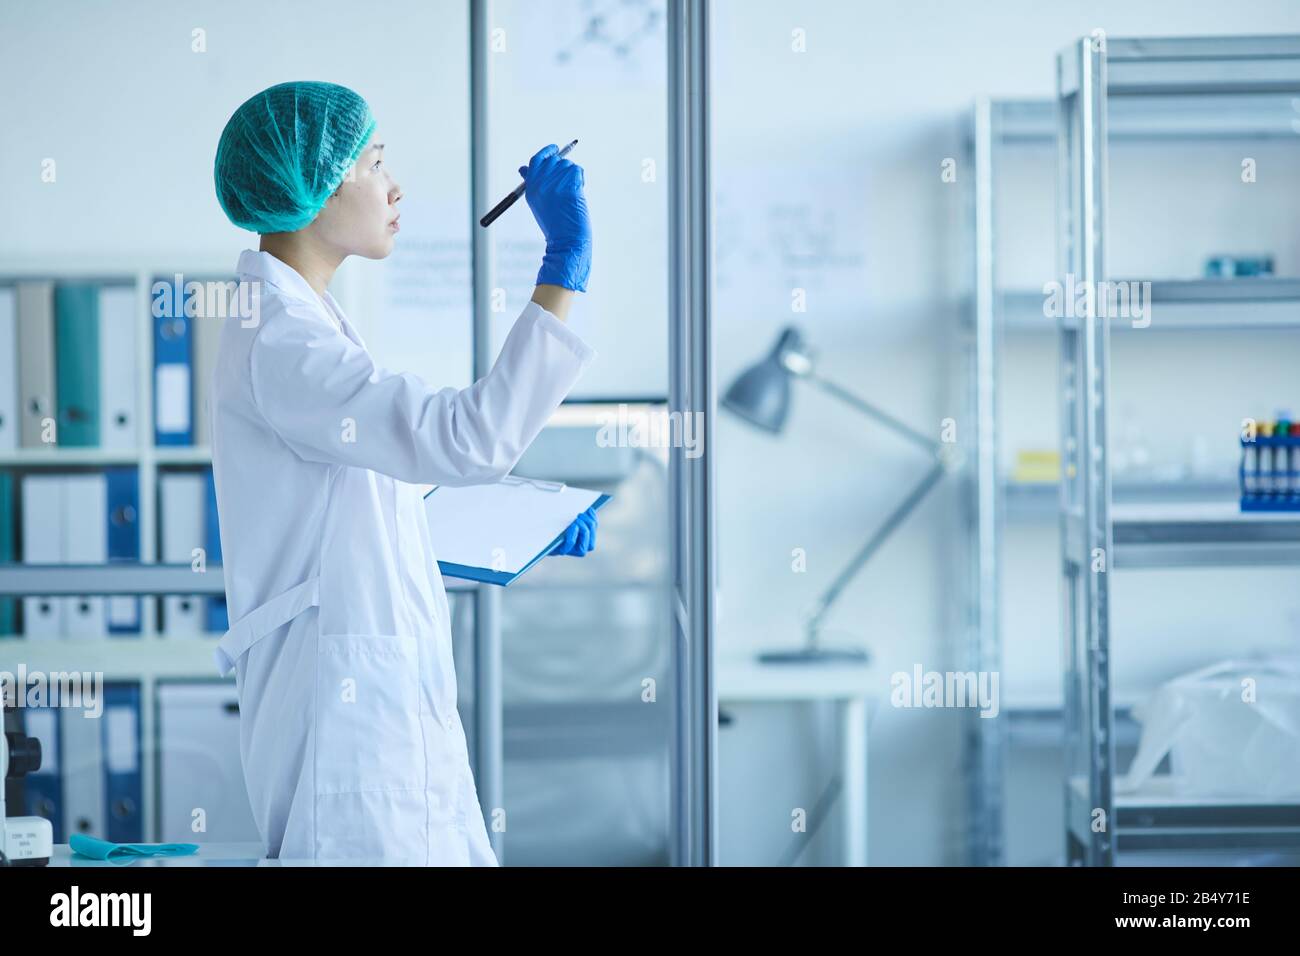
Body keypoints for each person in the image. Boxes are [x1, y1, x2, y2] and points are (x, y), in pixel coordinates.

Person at [208, 80, 598, 864]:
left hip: (374, 718)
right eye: (374, 162)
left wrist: (511, 529)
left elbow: (359, 507)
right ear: (312, 186)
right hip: (350, 744)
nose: (394, 186)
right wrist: (562, 271)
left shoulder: (302, 326)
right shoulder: (286, 343)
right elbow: (470, 437)